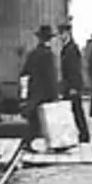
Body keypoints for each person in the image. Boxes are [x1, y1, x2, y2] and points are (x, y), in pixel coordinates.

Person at [21, 24, 60, 152]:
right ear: (49, 39)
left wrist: (25, 93)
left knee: (34, 120)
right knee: (48, 120)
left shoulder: (32, 54)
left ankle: (27, 142)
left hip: (34, 91)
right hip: (46, 92)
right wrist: (55, 94)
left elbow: (24, 72)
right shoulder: (48, 55)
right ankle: (52, 144)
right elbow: (51, 76)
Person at [57, 22, 91, 145]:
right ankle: (82, 134)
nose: (61, 36)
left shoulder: (72, 48)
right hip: (68, 85)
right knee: (74, 110)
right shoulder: (67, 48)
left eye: (63, 34)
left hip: (72, 86)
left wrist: (74, 87)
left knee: (76, 110)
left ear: (68, 33)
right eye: (60, 34)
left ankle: (84, 135)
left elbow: (75, 70)